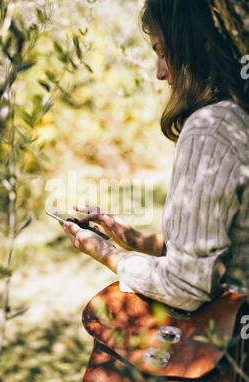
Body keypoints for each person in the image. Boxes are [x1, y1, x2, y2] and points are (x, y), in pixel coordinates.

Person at [60, 0, 249, 312]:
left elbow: (187, 284)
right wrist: (139, 241)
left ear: (196, 45)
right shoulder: (238, 114)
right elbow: (225, 256)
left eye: (163, 51)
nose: (160, 72)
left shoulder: (210, 129)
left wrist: (106, 253)